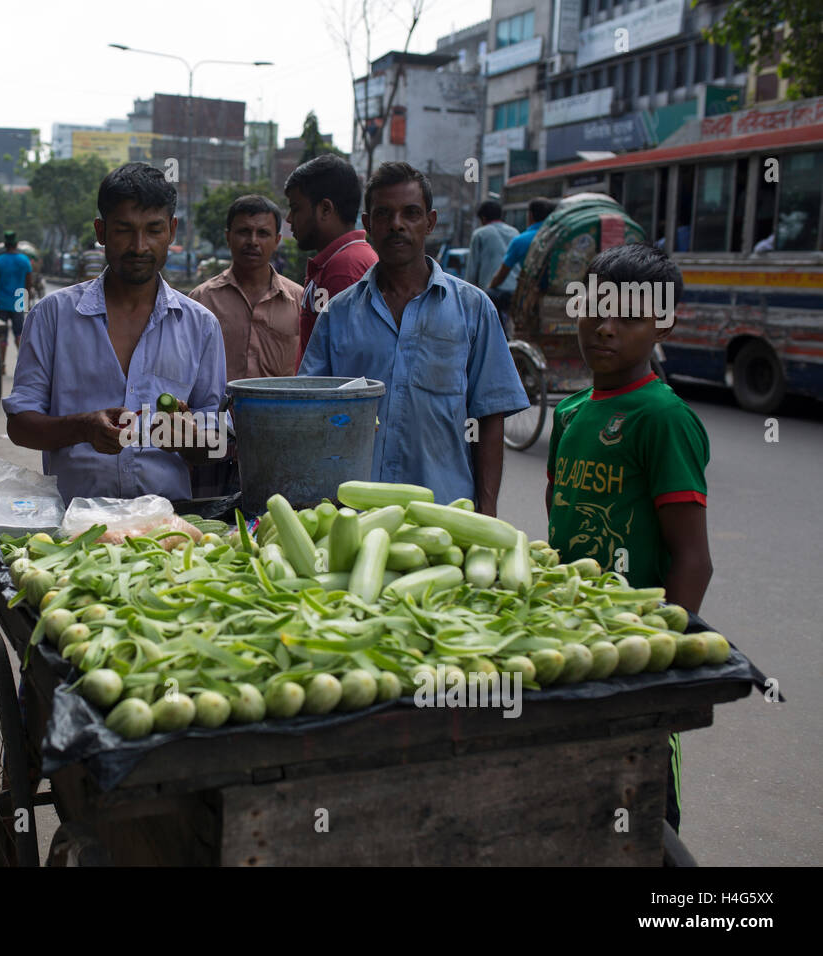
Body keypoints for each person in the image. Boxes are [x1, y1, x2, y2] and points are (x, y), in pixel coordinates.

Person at [545, 241, 711, 836]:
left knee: (644, 812)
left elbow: (694, 558)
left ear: (661, 322)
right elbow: (558, 520)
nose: (605, 327)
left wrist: (657, 651)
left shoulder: (662, 419)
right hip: (571, 638)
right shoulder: (570, 416)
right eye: (596, 308)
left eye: (630, 315)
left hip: (633, 647)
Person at [299, 161, 529, 514]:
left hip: (446, 513)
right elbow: (311, 409)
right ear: (368, 224)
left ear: (430, 222)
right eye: (384, 214)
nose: (396, 225)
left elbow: (490, 416)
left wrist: (487, 512)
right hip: (354, 513)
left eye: (410, 213)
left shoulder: (472, 308)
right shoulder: (338, 312)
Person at [3, 162, 227, 504]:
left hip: (167, 525)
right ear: (101, 231)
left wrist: (189, 440)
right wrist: (83, 428)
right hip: (74, 522)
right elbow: (19, 425)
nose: (139, 246)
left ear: (172, 230)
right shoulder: (51, 317)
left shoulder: (201, 326)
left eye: (154, 230)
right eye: (124, 230)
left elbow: (218, 444)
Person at [189, 194, 303, 382]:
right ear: (228, 237)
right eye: (243, 232)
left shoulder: (299, 301)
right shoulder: (201, 300)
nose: (253, 241)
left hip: (282, 411)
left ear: (277, 240)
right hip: (216, 411)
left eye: (263, 233)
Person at [285, 154, 380, 369]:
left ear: (325, 209)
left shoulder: (345, 267)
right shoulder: (334, 262)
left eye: (296, 208)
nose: (289, 218)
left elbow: (347, 363)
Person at [488, 197, 556, 292]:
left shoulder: (520, 240)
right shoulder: (560, 237)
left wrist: (489, 288)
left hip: (531, 295)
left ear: (530, 215)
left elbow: (500, 276)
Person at [466, 200, 518, 317]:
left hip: (490, 295)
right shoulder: (514, 232)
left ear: (483, 218)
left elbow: (472, 270)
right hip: (515, 293)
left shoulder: (480, 234)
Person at [0, 230, 33, 357]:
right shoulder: (24, 260)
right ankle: (22, 363)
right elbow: (28, 284)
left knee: (2, 335)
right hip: (19, 300)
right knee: (19, 334)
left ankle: (1, 364)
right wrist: (27, 302)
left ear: (5, 245)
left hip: (1, 301)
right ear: (16, 244)